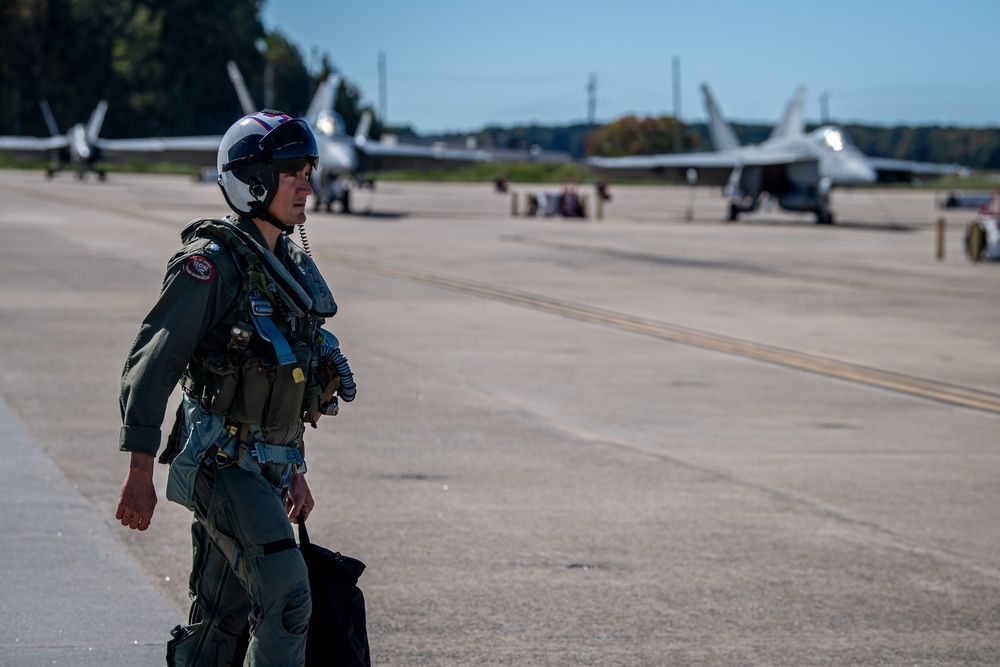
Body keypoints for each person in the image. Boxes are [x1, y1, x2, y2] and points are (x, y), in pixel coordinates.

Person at [114, 110, 355, 666]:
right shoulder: (211, 265)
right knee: (289, 597)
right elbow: (152, 364)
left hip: (264, 470)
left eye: (309, 168)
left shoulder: (286, 268)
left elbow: (286, 379)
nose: (307, 182)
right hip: (220, 465)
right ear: (253, 180)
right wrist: (139, 471)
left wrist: (294, 467)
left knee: (221, 622)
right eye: (292, 169)